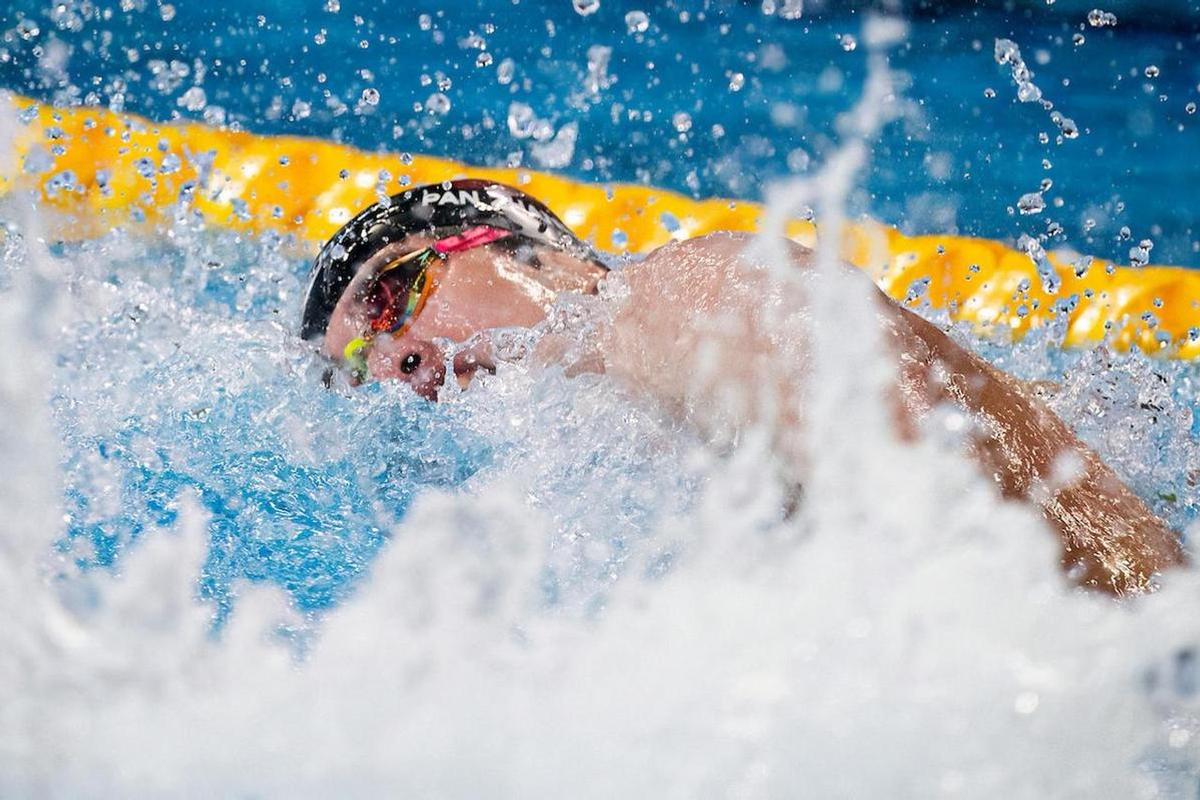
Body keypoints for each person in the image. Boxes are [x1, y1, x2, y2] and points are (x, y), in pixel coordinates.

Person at [300, 179, 1185, 595]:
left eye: (389, 299)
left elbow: (940, 478)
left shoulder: (667, 299)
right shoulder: (591, 471)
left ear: (528, 249)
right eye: (358, 372)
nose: (394, 367)